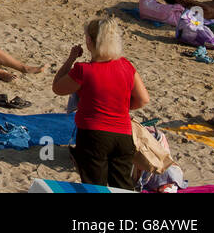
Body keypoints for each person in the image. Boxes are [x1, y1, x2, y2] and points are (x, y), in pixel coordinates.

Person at [51, 15, 149, 190]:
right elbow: (143, 100)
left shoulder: (83, 70)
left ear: (89, 40)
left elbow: (57, 87)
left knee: (94, 186)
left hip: (93, 135)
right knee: (123, 186)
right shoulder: (126, 65)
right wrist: (119, 108)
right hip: (123, 135)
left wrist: (71, 58)